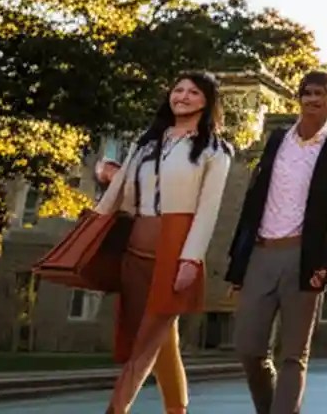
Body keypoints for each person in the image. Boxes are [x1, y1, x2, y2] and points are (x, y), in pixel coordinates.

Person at [93, 72, 233, 414]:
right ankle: (177, 409)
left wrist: (190, 260)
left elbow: (208, 211)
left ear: (207, 101)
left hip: (175, 250)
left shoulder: (215, 151)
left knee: (145, 342)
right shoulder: (147, 142)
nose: (182, 96)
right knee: (160, 341)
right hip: (135, 250)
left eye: (193, 92)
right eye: (178, 89)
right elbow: (120, 193)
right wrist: (95, 223)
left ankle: (115, 409)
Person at [224, 71, 327, 414]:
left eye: (322, 93)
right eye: (307, 92)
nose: (313, 98)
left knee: (293, 354)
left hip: (304, 255)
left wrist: (325, 264)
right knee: (249, 349)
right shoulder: (278, 139)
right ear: (298, 98)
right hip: (261, 252)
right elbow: (254, 200)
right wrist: (237, 263)